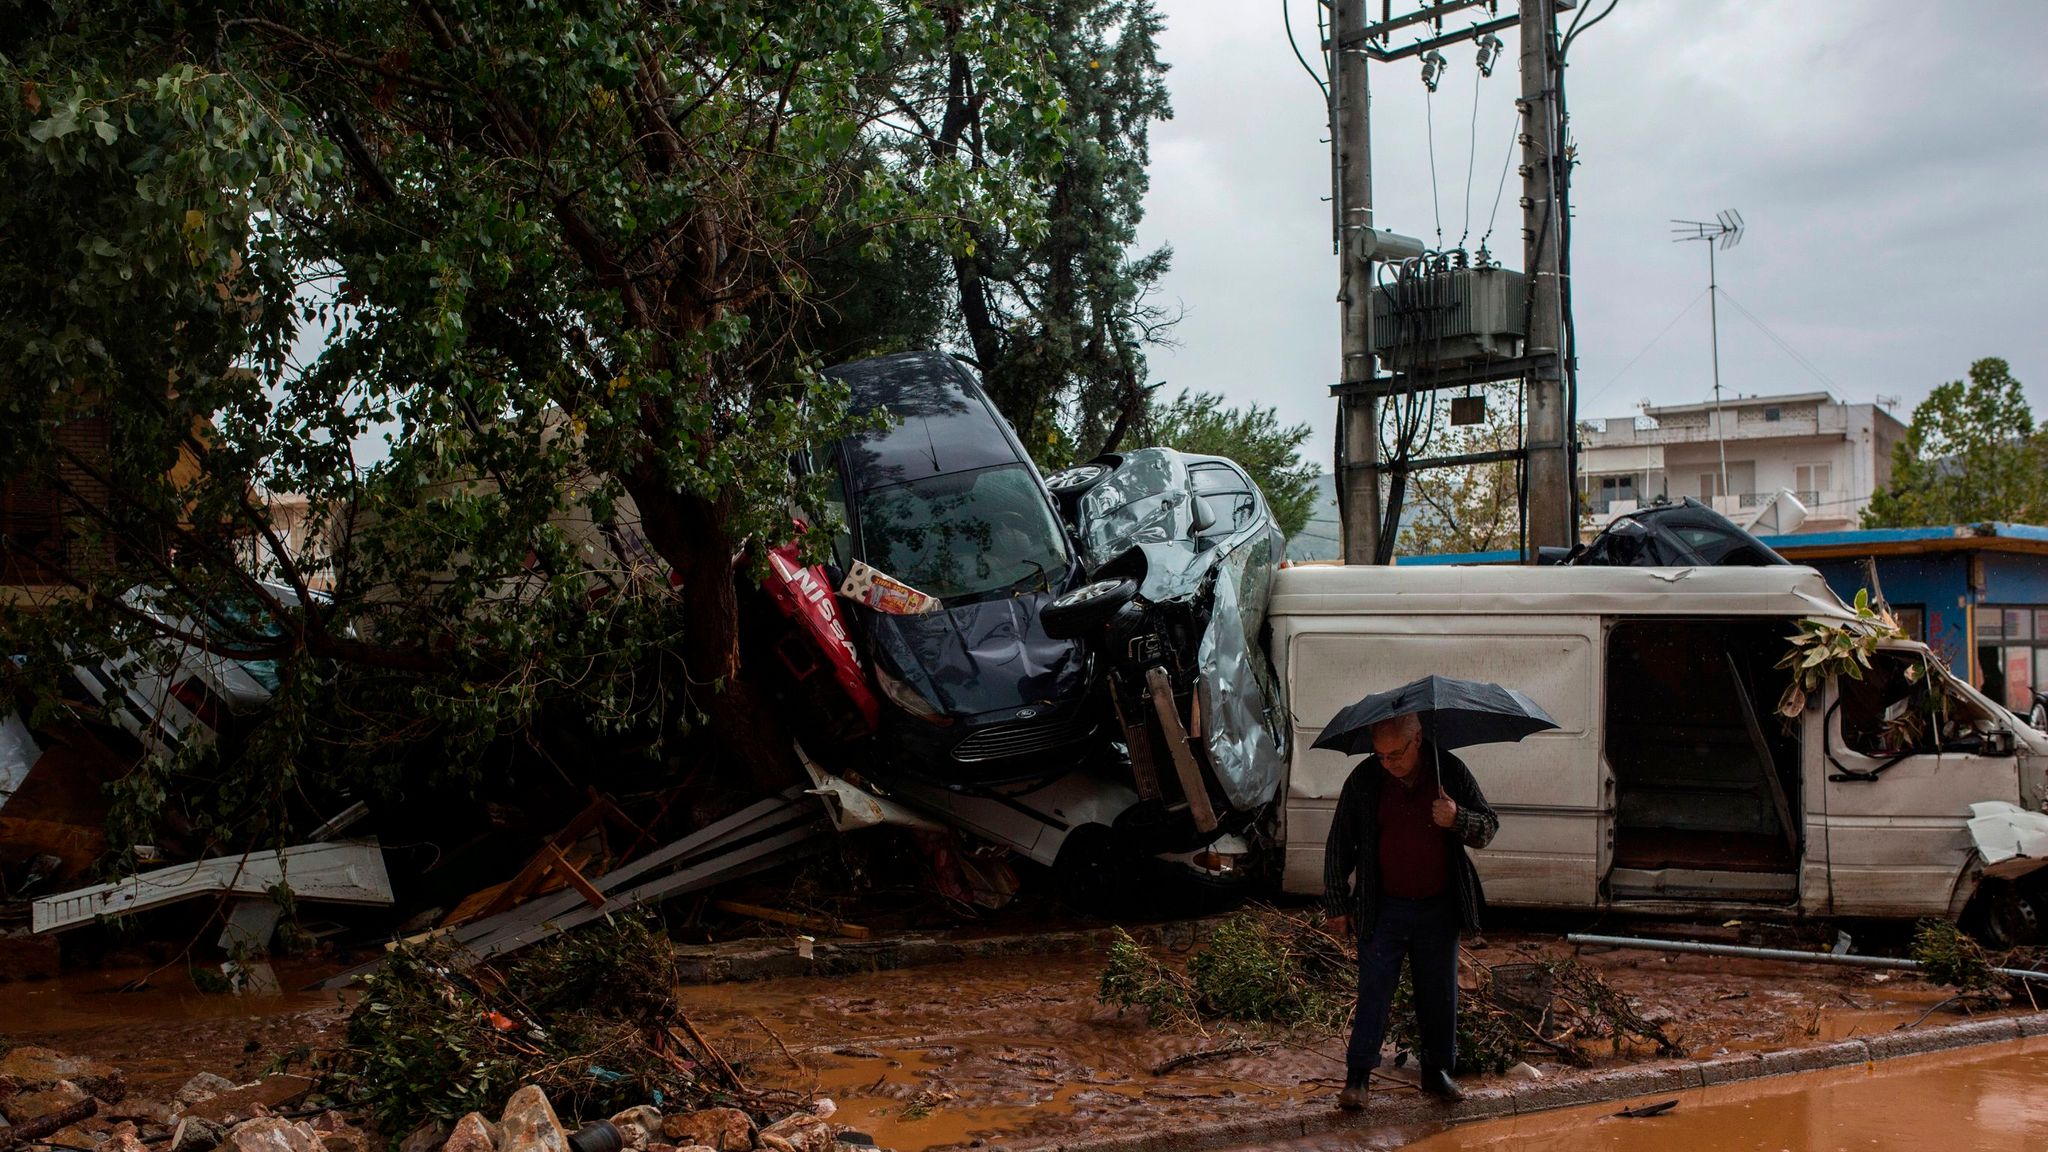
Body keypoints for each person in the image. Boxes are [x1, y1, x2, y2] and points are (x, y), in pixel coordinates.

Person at [1323, 712, 1499, 1111]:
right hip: (1382, 906)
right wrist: (1336, 903)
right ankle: (1357, 1079)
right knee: (1373, 993)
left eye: (1396, 754)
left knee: (1438, 995)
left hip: (1439, 907)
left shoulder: (1449, 770)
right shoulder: (1365, 779)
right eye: (1381, 754)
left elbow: (1488, 826)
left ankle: (1436, 1074)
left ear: (1417, 740)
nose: (1388, 763)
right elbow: (1339, 844)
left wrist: (1458, 818)